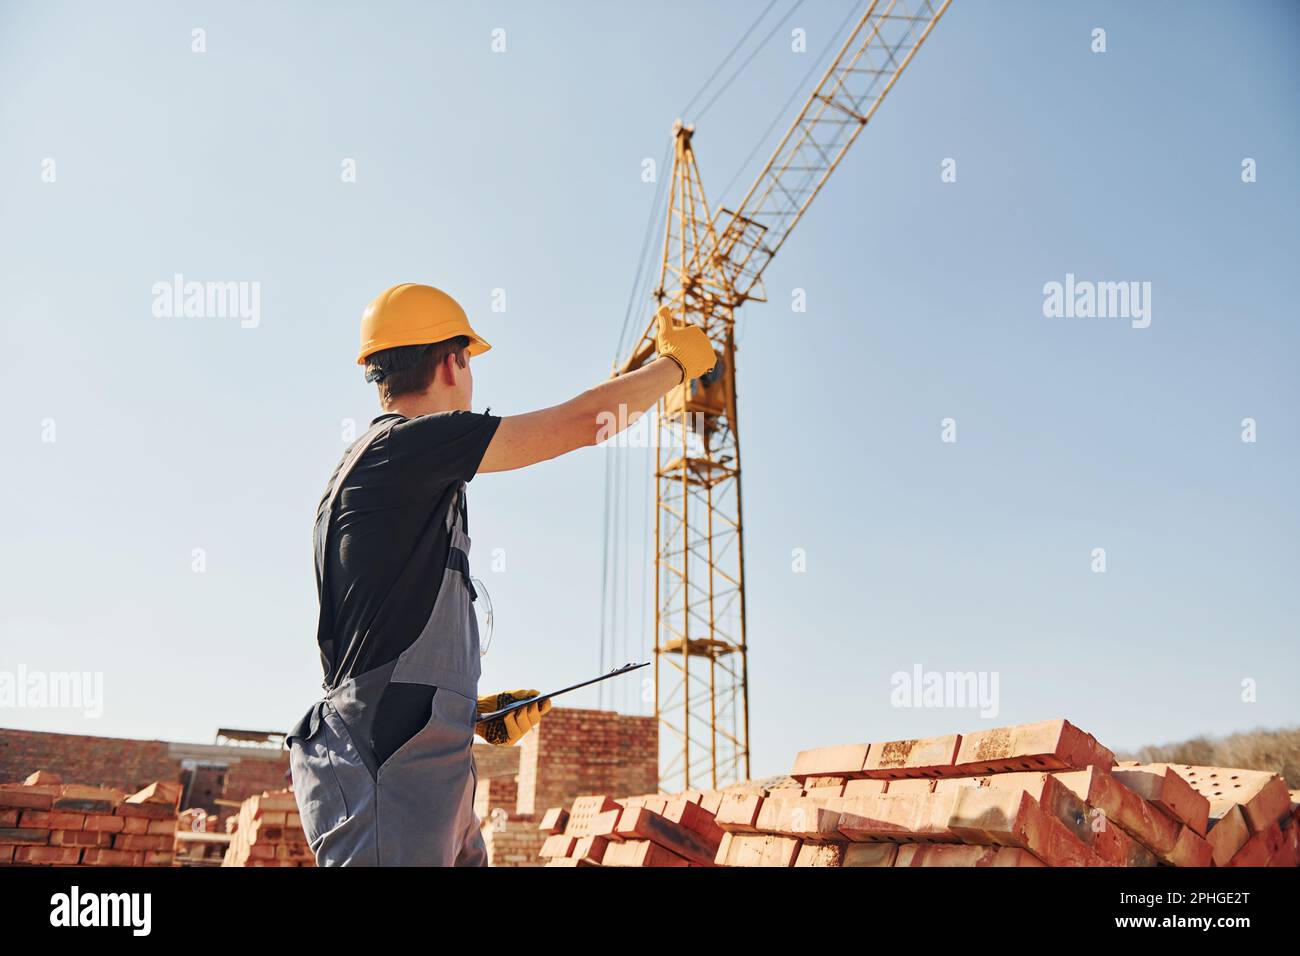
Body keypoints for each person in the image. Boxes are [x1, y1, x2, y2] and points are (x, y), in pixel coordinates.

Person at [286, 282, 716, 866]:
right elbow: (587, 422)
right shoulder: (405, 449)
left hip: (423, 767)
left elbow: (380, 635)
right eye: (469, 362)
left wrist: (464, 715)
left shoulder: (396, 472)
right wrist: (675, 366)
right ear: (452, 360)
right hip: (391, 773)